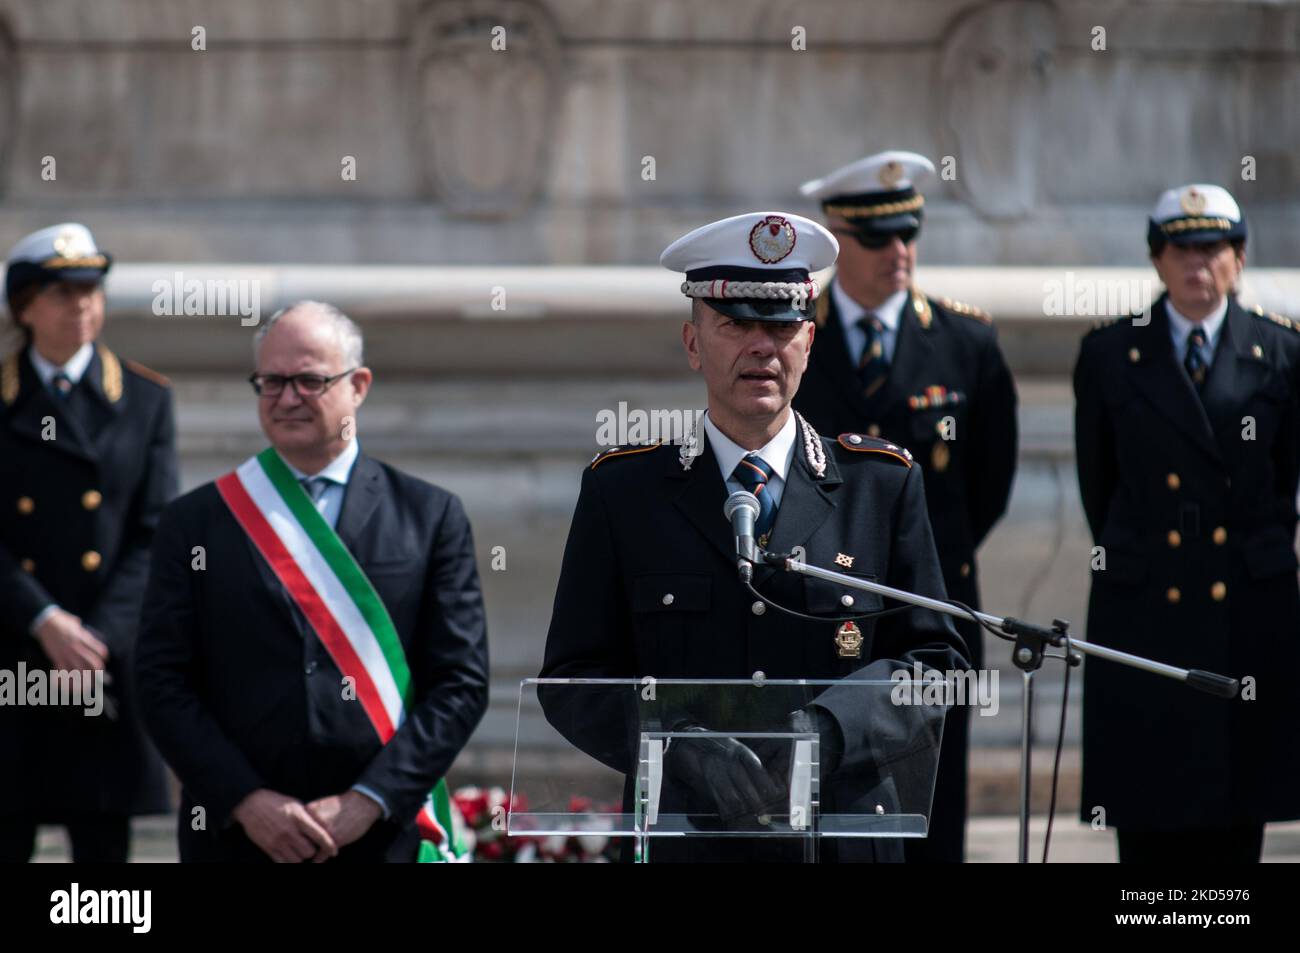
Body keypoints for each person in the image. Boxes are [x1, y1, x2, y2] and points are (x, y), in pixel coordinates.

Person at [540, 211, 969, 862]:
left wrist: (830, 729)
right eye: (735, 323)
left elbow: (936, 666)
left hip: (840, 839)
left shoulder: (879, 485)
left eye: (780, 325)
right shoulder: (623, 492)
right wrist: (676, 743)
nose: (761, 346)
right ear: (692, 343)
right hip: (689, 840)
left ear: (808, 341)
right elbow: (574, 680)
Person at [135, 301, 489, 862]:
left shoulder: (429, 516)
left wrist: (368, 800)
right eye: (271, 381)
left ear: (359, 386)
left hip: (379, 834)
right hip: (236, 837)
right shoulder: (195, 521)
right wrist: (247, 801)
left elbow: (460, 682)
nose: (287, 398)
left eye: (309, 380)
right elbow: (159, 680)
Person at [793, 151, 1018, 862]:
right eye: (877, 237)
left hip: (932, 614)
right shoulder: (795, 338)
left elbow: (990, 482)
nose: (899, 252)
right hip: (820, 613)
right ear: (836, 239)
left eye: (908, 233)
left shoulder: (966, 342)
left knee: (932, 821)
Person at [1074, 184, 1300, 863]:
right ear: (1157, 258)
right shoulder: (1112, 352)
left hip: (1245, 614)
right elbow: (1098, 485)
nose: (1197, 263)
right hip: (1147, 610)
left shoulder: (1279, 350)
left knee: (1237, 825)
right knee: (1148, 818)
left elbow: (1283, 478)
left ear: (1239, 258)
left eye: (1213, 248)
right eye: (1182, 247)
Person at [0, 223, 175, 862]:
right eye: (62, 291)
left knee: (102, 865)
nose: (81, 305)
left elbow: (153, 534)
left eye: (91, 289)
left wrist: (96, 638)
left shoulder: (145, 400)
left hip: (100, 662)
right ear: (25, 307)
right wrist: (43, 619)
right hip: (13, 652)